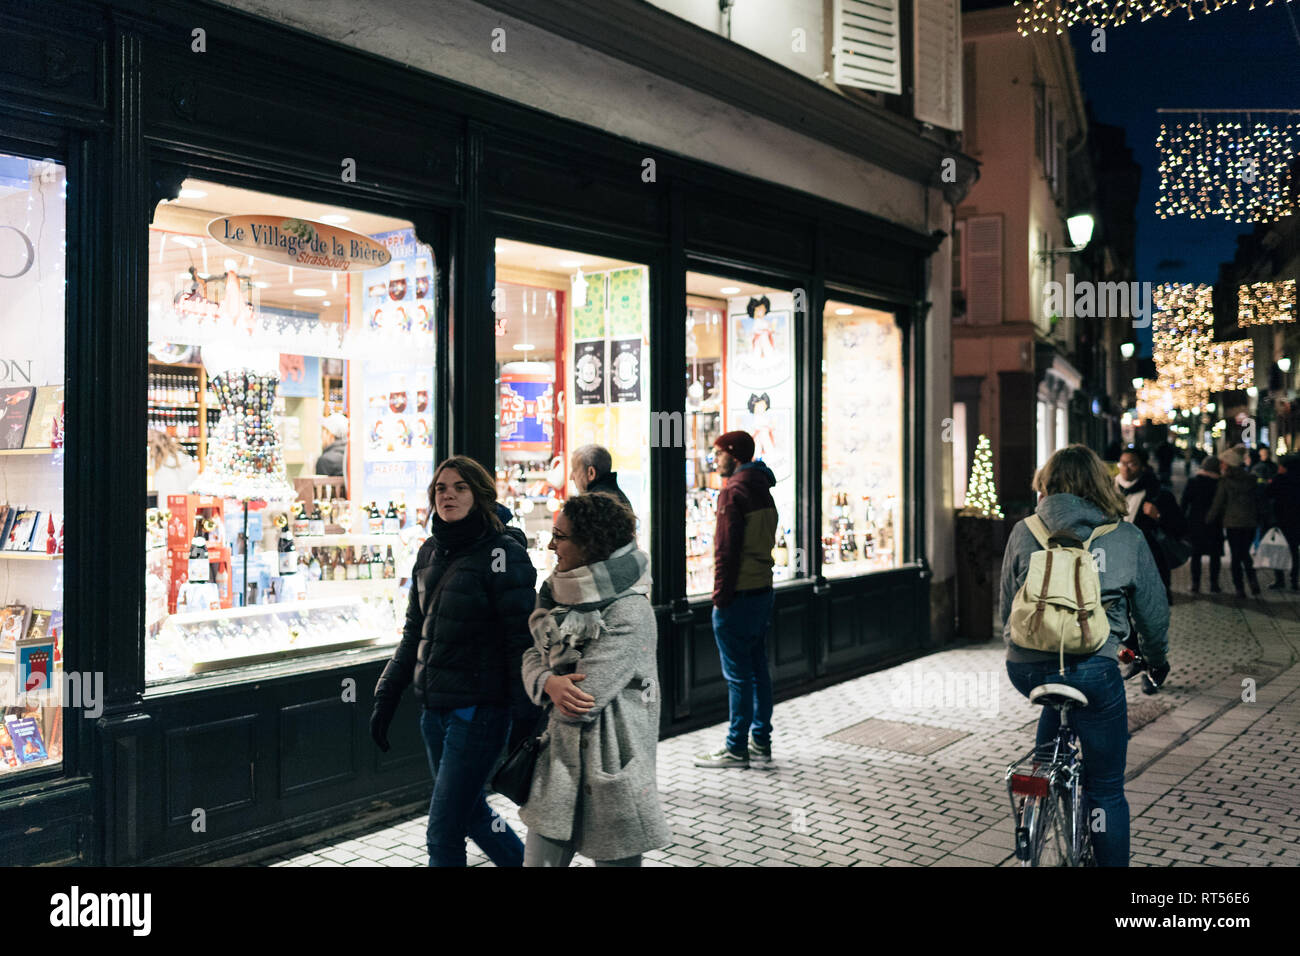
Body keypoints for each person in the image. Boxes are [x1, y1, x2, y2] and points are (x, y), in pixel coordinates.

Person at [1000, 445, 1170, 867]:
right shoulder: (1126, 536)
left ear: (1048, 483)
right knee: (1107, 788)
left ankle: (1042, 785)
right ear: (1100, 482)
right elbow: (1152, 612)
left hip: (1026, 667)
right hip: (1094, 667)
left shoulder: (1025, 531)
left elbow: (1007, 607)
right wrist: (1155, 657)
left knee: (1056, 696)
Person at [369, 455, 537, 867]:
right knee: (472, 812)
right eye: (441, 488)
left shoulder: (503, 554)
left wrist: (526, 722)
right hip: (435, 711)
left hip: (480, 712)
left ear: (480, 495)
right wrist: (387, 695)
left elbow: (522, 643)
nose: (449, 495)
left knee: (442, 832)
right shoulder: (429, 552)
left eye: (460, 487)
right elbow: (414, 632)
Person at [518, 493, 671, 866]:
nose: (552, 544)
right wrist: (548, 684)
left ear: (590, 543)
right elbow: (528, 656)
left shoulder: (630, 610)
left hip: (613, 768)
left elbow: (583, 700)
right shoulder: (556, 593)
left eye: (561, 535)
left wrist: (547, 680)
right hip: (559, 768)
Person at [694, 430, 778, 769]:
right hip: (762, 590)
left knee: (738, 676)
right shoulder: (763, 488)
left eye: (719, 453)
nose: (715, 459)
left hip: (738, 595)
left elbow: (726, 551)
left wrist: (720, 597)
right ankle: (761, 740)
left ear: (735, 455)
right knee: (758, 669)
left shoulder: (733, 492)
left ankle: (735, 748)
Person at [1115, 446, 1186, 604]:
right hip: (1118, 556)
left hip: (1149, 556)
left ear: (1143, 466)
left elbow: (1179, 526)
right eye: (1122, 463)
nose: (1126, 469)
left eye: (1132, 464)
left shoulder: (1158, 493)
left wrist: (1158, 516)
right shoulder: (1109, 490)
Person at [1206, 446, 1262, 598]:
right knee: (1245, 553)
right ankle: (1252, 580)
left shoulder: (1225, 482)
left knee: (1236, 557)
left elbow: (1218, 503)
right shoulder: (1251, 479)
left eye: (1223, 463)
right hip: (1250, 523)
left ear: (1229, 464)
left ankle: (1239, 588)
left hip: (1233, 524)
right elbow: (1259, 501)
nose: (1221, 465)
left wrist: (1209, 520)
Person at [1181, 455, 1223, 594]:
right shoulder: (1220, 483)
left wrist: (1182, 520)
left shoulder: (1194, 481)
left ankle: (1195, 584)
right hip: (1214, 522)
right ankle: (1214, 584)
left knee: (1196, 555)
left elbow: (1185, 502)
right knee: (1215, 555)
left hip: (1195, 521)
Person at [1265, 454, 1300, 591]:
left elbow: (1268, 493)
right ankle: (1294, 580)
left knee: (1278, 548)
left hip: (1280, 519)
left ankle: (1280, 579)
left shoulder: (1280, 479)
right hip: (1296, 519)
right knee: (1293, 550)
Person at [570, 443, 631, 509]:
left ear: (591, 473)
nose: (571, 477)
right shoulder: (621, 499)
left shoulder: (591, 504)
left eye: (575, 470)